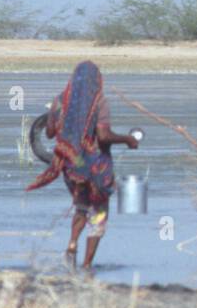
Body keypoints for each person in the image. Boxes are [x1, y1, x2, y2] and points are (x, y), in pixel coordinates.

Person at [26, 61, 139, 269]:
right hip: (97, 168)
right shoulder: (99, 101)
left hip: (71, 165)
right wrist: (127, 140)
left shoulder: (60, 101)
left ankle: (71, 245)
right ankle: (86, 265)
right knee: (99, 212)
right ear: (97, 79)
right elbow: (103, 136)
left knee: (81, 206)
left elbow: (50, 133)